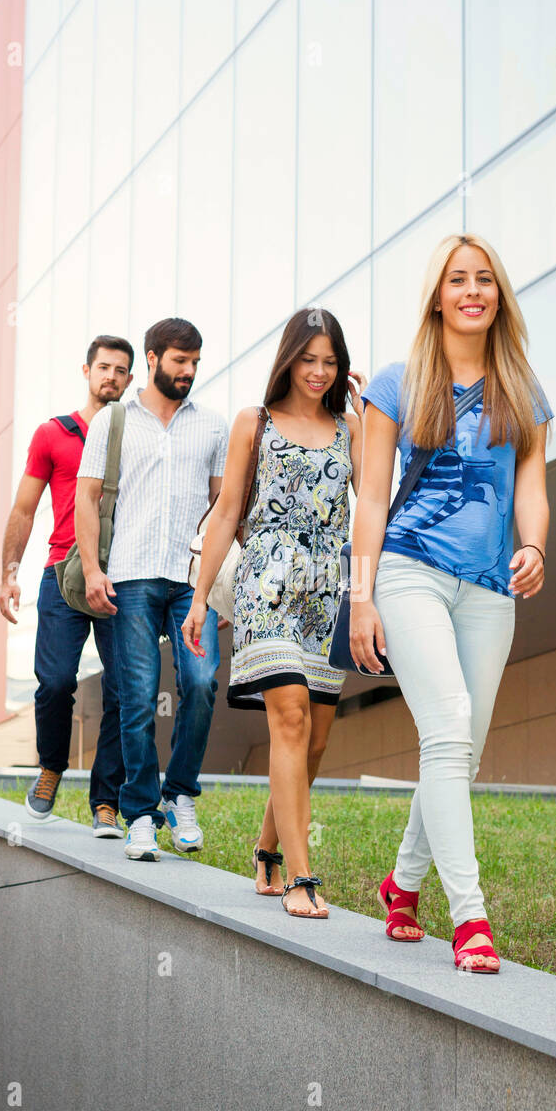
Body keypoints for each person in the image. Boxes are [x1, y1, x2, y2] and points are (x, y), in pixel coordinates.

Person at [350, 233, 553, 970]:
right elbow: (372, 497)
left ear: (498, 296)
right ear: (438, 295)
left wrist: (532, 546)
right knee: (449, 728)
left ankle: (400, 887)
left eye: (485, 280)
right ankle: (471, 920)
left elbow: (531, 487)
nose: (473, 291)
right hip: (410, 569)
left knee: (459, 753)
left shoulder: (524, 392)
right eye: (458, 280)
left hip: (492, 586)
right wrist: (363, 595)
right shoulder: (398, 382)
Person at [181, 309, 364, 917]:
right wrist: (201, 596)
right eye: (308, 359)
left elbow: (371, 508)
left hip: (327, 596)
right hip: (268, 589)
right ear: (288, 359)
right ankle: (300, 877)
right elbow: (229, 510)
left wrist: (366, 418)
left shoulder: (348, 427)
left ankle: (265, 847)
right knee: (288, 721)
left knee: (312, 742)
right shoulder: (252, 423)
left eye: (329, 361)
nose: (318, 371)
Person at [75, 317, 229, 862]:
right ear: (153, 358)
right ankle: (141, 813)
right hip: (131, 578)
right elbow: (88, 496)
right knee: (137, 700)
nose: (188, 371)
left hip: (191, 583)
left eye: (195, 363)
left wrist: (218, 586)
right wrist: (94, 571)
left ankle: (180, 793)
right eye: (179, 361)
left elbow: (223, 509)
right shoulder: (114, 422)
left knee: (202, 681)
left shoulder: (213, 426)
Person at [0, 336, 134, 835]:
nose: (112, 378)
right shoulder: (53, 434)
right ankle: (51, 767)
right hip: (63, 573)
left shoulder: (134, 434)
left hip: (122, 579)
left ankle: (106, 801)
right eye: (104, 368)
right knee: (55, 682)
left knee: (125, 690)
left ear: (131, 380)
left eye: (122, 371)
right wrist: (9, 574)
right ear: (86, 370)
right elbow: (23, 509)